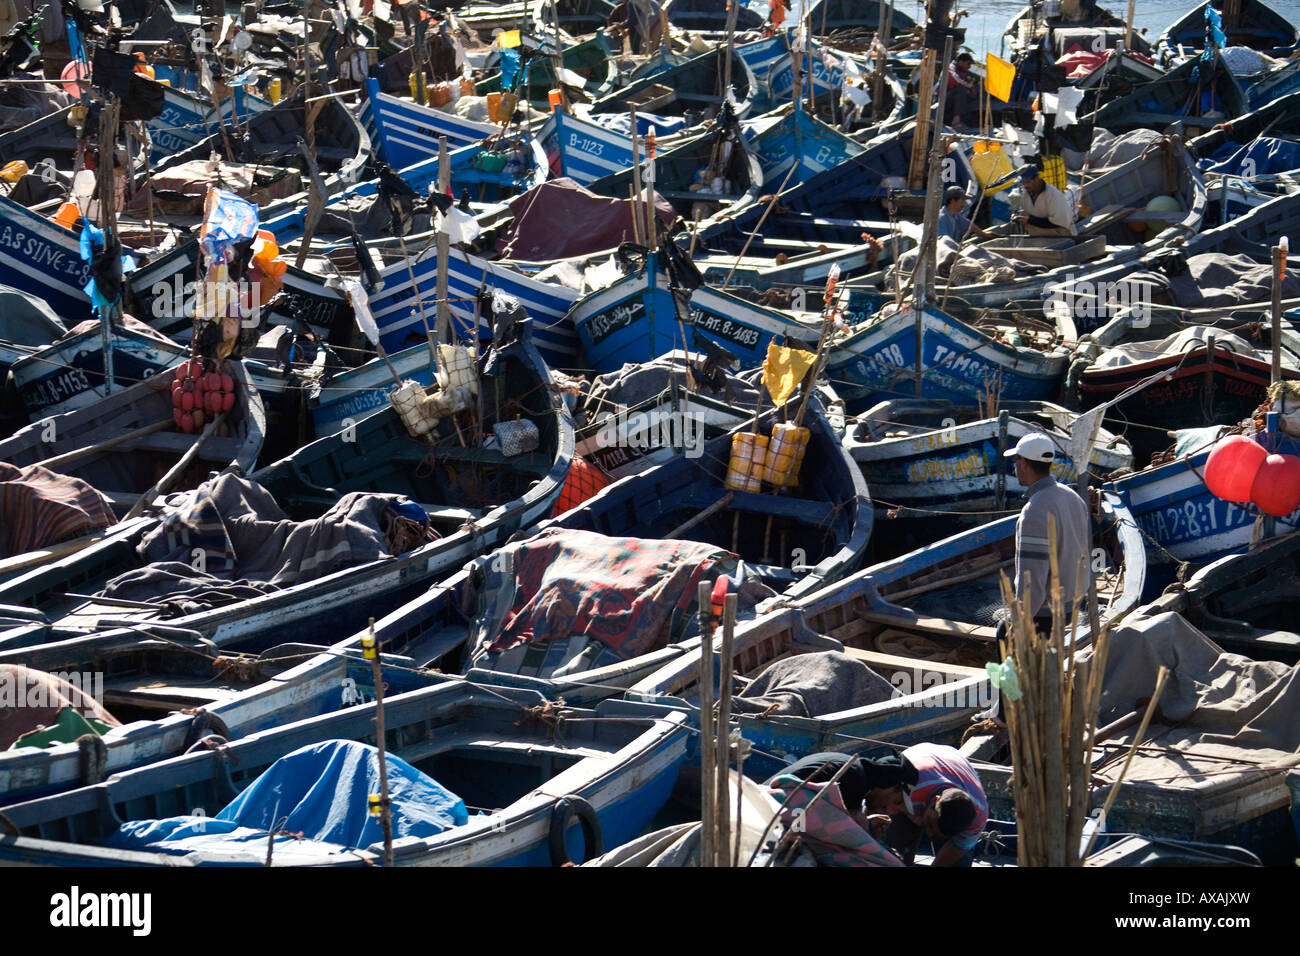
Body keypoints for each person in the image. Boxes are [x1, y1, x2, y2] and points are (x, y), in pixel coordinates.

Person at [1003, 432, 1093, 636]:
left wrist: (1018, 624)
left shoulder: (1034, 510)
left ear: (1024, 463)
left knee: (1002, 634)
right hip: (1073, 604)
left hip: (1047, 614)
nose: (1015, 467)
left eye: (1016, 460)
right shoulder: (1072, 496)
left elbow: (1032, 579)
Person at [869, 742, 988, 867]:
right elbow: (872, 802)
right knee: (896, 854)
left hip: (948, 767)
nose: (929, 834)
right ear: (934, 801)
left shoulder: (979, 816)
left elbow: (959, 845)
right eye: (930, 825)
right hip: (919, 764)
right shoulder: (907, 786)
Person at [1015, 164, 1076, 236]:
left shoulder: (1052, 194)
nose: (1025, 186)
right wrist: (1018, 217)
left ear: (1036, 179)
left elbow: (1060, 222)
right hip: (1037, 240)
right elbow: (1025, 215)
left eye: (1028, 182)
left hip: (1061, 238)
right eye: (1023, 183)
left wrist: (1030, 220)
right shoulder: (1025, 195)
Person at [945, 52, 977, 131]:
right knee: (961, 90)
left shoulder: (962, 72)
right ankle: (956, 122)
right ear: (960, 62)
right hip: (942, 99)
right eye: (968, 64)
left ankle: (964, 120)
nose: (969, 67)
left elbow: (971, 90)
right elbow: (956, 80)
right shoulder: (951, 68)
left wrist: (971, 90)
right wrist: (970, 86)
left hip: (951, 100)